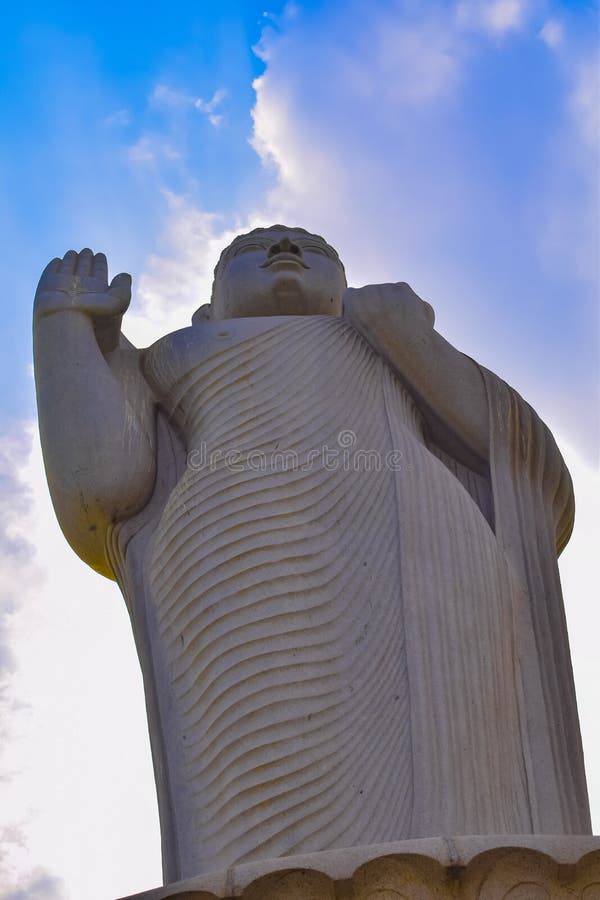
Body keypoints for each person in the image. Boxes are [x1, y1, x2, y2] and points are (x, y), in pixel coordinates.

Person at [33, 226, 591, 884]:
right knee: (262, 772)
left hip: (427, 554)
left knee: (462, 776)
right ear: (209, 309)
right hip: (240, 554)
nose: (284, 253)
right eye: (252, 251)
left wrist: (409, 338)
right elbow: (103, 487)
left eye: (314, 250)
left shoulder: (389, 342)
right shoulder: (172, 358)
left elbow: (531, 471)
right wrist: (66, 330)